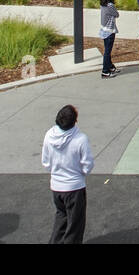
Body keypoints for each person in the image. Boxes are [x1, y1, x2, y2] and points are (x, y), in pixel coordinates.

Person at [42, 104, 94, 244]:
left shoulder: (49, 136)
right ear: (74, 121)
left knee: (61, 218)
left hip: (56, 187)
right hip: (74, 188)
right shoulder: (80, 139)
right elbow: (87, 164)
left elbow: (46, 162)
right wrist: (80, 174)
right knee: (75, 226)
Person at [98, 0, 120, 78]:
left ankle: (110, 67)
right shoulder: (110, 5)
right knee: (107, 52)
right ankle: (105, 71)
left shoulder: (102, 4)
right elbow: (117, 14)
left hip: (104, 30)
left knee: (107, 50)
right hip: (110, 31)